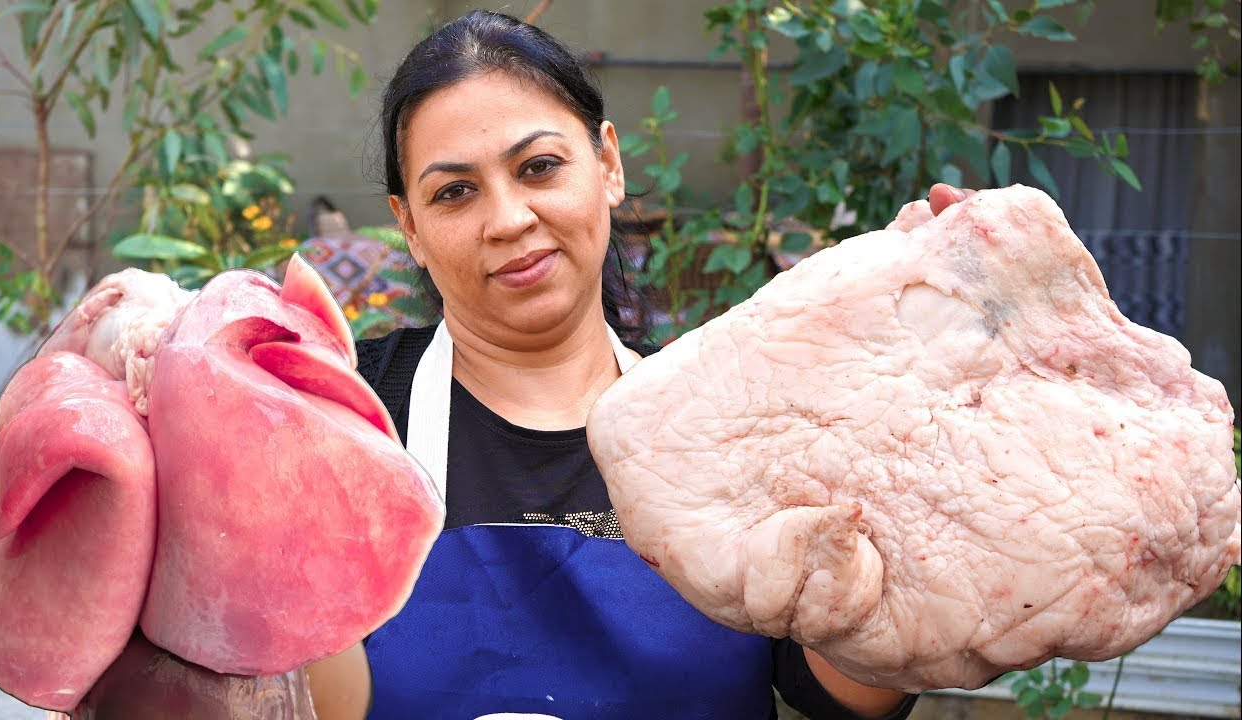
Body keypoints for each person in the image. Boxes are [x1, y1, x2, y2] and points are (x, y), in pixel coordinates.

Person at [305, 10, 972, 720]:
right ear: (410, 225)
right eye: (454, 192)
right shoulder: (341, 419)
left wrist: (926, 446)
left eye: (538, 167)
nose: (506, 218)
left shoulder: (727, 419)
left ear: (609, 166)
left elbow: (845, 694)